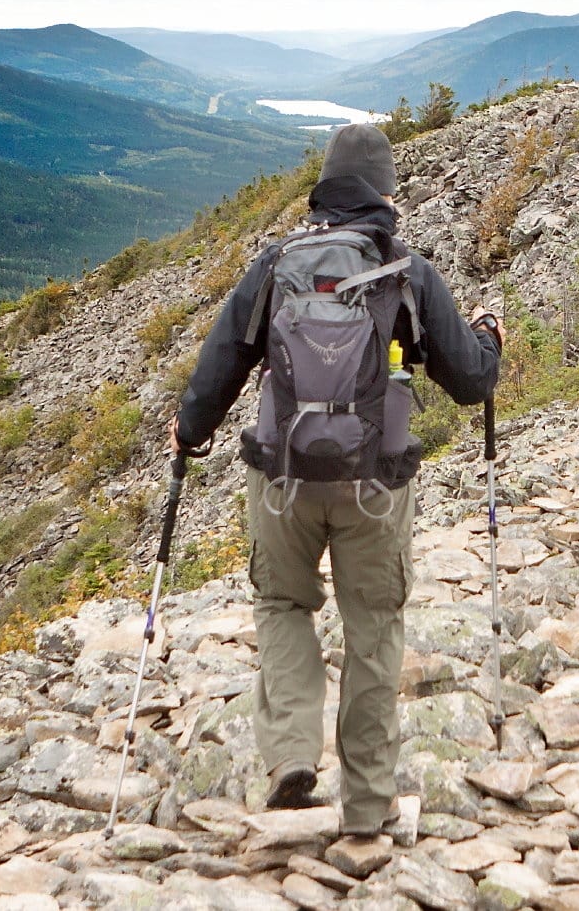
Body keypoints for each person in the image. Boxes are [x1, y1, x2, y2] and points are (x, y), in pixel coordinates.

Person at [171, 122, 502, 836]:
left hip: (282, 480)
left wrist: (188, 432)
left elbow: (219, 364)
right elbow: (471, 380)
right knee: (373, 628)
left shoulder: (277, 264)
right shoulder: (407, 271)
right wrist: (490, 336)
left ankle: (291, 754)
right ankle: (366, 805)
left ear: (324, 186)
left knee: (284, 604)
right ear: (386, 192)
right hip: (374, 484)